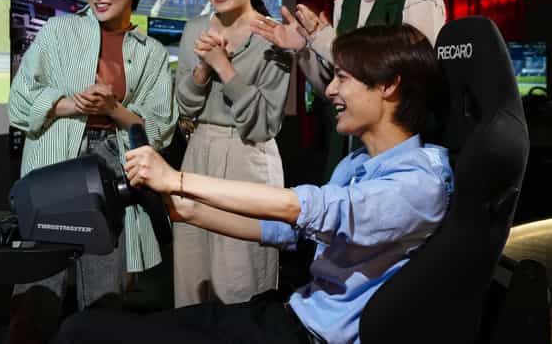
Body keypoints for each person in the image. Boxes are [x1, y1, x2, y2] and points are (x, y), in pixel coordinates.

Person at [52, 23, 453, 344]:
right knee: (87, 329)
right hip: (288, 313)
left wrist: (177, 178)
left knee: (83, 334)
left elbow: (303, 208)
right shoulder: (360, 162)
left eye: (343, 78)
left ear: (388, 86)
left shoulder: (419, 183)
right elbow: (287, 230)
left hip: (306, 334)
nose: (330, 89)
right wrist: (190, 210)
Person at [6, 0, 178, 342]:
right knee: (35, 296)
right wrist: (70, 104)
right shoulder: (58, 29)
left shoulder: (151, 53)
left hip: (112, 169)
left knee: (103, 301)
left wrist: (114, 107)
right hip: (53, 166)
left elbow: (161, 129)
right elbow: (18, 103)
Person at [252, 0, 446, 181]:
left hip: (397, 161)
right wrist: (303, 49)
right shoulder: (346, 3)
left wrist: (325, 40)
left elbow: (417, 83)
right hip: (348, 155)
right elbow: (336, 90)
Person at [174, 0, 292, 307]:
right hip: (198, 154)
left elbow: (263, 124)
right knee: (193, 276)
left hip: (249, 158)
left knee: (243, 280)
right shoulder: (195, 28)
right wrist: (202, 72)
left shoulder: (275, 36)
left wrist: (225, 68)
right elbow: (186, 107)